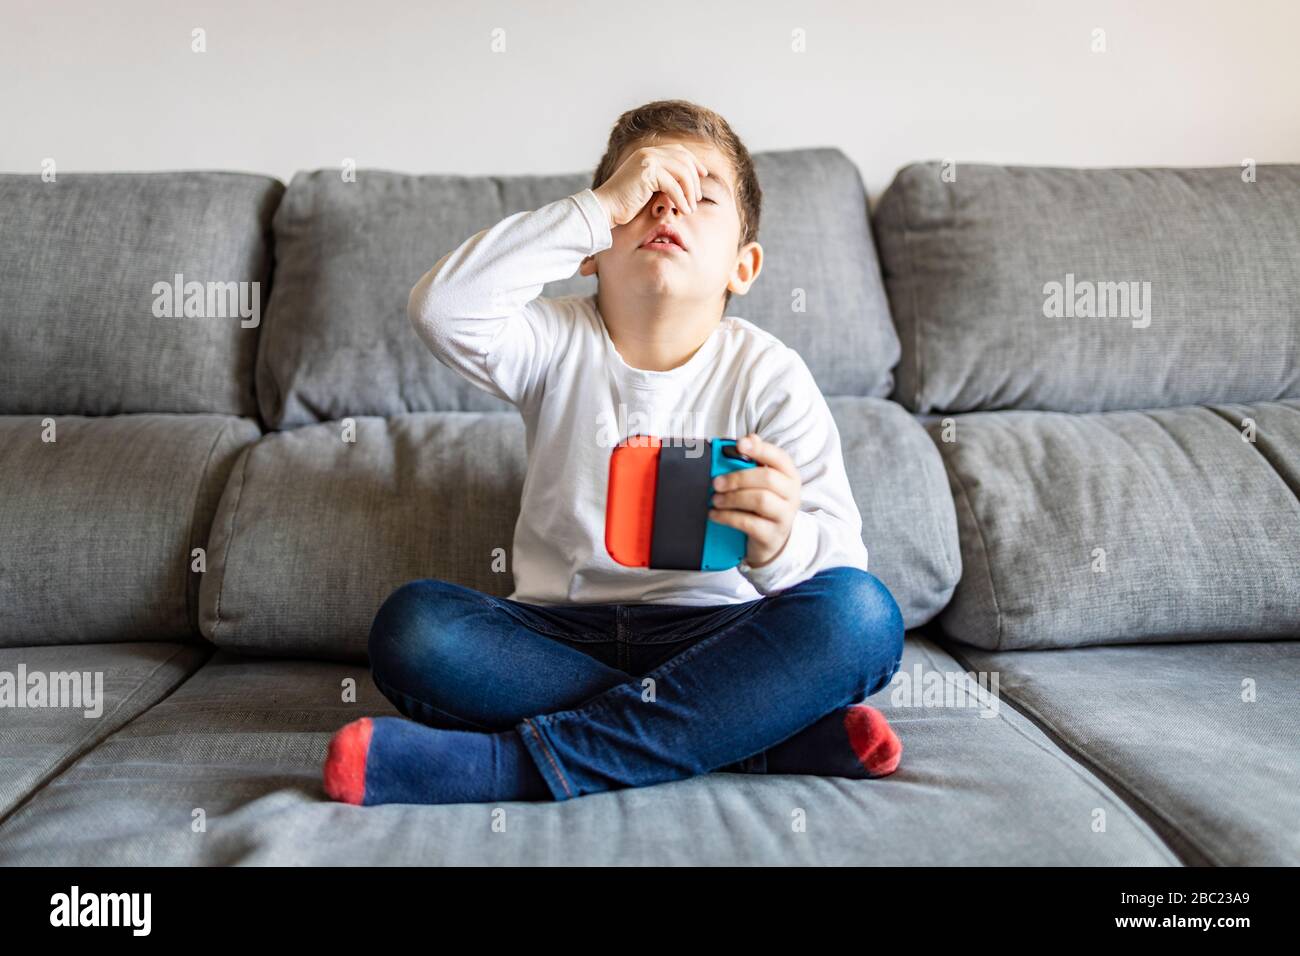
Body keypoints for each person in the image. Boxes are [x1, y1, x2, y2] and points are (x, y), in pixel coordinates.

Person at [323, 100, 904, 806]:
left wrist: (782, 543)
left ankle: (512, 769)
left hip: (717, 637)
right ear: (594, 248)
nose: (667, 211)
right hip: (556, 635)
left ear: (743, 266)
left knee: (862, 616)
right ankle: (751, 736)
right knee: (415, 627)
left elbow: (840, 568)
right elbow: (441, 309)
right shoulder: (551, 340)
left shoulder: (772, 375)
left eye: (701, 200)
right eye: (645, 196)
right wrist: (594, 208)